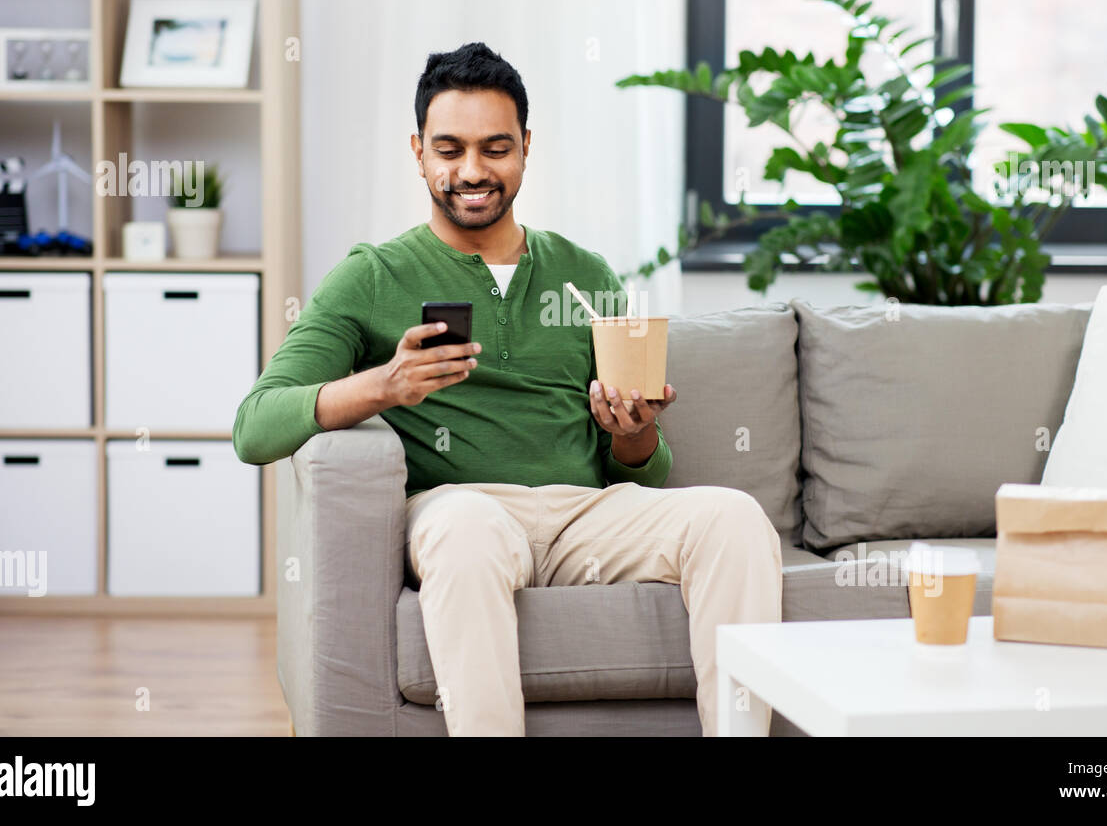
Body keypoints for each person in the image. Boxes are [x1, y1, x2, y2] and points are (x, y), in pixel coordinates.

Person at [233, 41, 782, 736]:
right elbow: (254, 425)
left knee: (734, 518)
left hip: (585, 512)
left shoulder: (584, 273)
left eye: (495, 148)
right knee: (465, 531)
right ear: (418, 151)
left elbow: (644, 467)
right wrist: (384, 384)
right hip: (463, 508)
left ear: (526, 147)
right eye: (449, 148)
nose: (471, 171)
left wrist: (632, 431)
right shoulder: (372, 276)